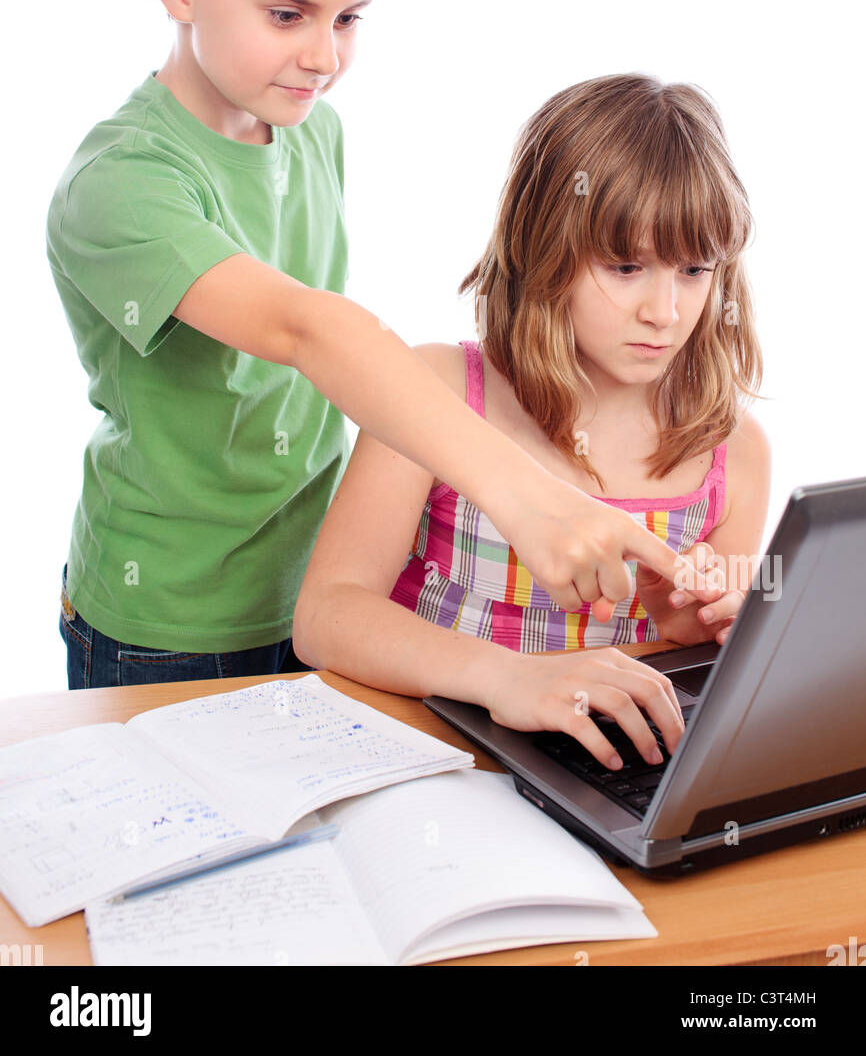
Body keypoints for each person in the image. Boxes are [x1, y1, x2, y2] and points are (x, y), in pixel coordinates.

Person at [47, 0, 708, 694]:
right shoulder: (121, 185)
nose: (324, 56)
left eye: (349, 18)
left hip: (311, 594)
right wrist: (532, 500)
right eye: (287, 14)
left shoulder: (312, 133)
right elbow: (308, 332)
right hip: (167, 622)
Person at [292, 74, 772, 770]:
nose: (664, 312)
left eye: (695, 269)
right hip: (433, 758)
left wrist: (693, 633)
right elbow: (325, 616)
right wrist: (511, 678)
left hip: (601, 778)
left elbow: (684, 674)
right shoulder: (436, 394)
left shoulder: (732, 453)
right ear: (546, 248)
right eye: (626, 265)